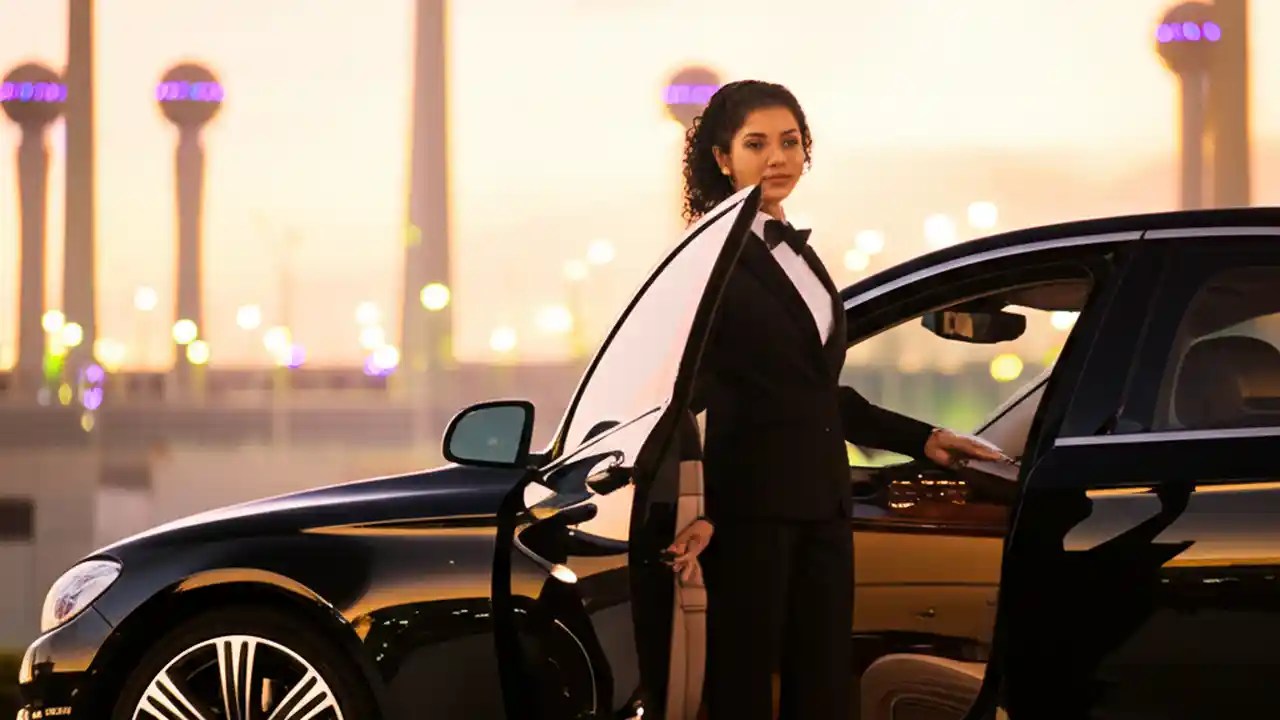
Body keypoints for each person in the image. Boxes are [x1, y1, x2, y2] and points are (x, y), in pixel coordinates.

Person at [663, 80, 1008, 720]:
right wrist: (691, 503)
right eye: (756, 144)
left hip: (825, 505)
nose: (777, 158)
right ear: (721, 158)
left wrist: (924, 438)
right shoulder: (709, 264)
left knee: (822, 687)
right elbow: (681, 394)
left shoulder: (799, 254)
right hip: (750, 512)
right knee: (743, 686)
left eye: (790, 142)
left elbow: (814, 389)